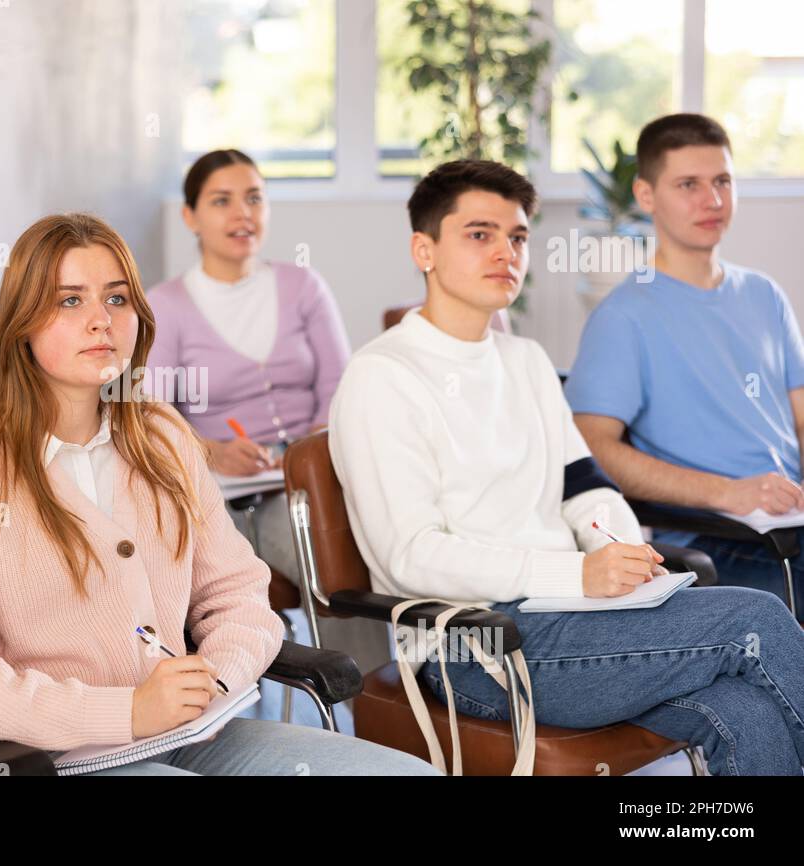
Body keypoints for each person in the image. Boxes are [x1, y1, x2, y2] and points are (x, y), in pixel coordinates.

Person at [0, 212, 435, 776]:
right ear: (21, 323)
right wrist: (127, 711)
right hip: (53, 757)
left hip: (193, 735)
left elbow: (237, 593)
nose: (101, 321)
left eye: (117, 299)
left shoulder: (161, 435)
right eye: (70, 301)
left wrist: (211, 681)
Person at [329, 160, 804, 775]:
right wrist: (575, 573)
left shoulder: (524, 360)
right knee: (755, 618)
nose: (506, 251)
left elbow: (584, 487)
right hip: (479, 646)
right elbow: (411, 556)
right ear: (424, 248)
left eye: (518, 237)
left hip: (575, 620)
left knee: (746, 712)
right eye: (480, 234)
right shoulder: (382, 378)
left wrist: (624, 554)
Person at [566, 113, 804, 617]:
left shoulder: (764, 295)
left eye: (722, 181)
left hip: (792, 520)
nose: (712, 200)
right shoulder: (624, 315)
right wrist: (731, 493)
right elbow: (592, 448)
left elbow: (800, 416)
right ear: (647, 195)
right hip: (719, 538)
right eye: (689, 184)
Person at [145, 150, 372, 669]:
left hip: (312, 477)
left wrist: (306, 448)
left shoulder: (303, 287)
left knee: (362, 557)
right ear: (190, 217)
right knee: (322, 555)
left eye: (253, 198)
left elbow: (341, 386)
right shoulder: (166, 304)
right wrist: (213, 452)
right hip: (227, 494)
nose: (241, 213)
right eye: (221, 201)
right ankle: (337, 693)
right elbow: (150, 411)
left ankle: (383, 703)